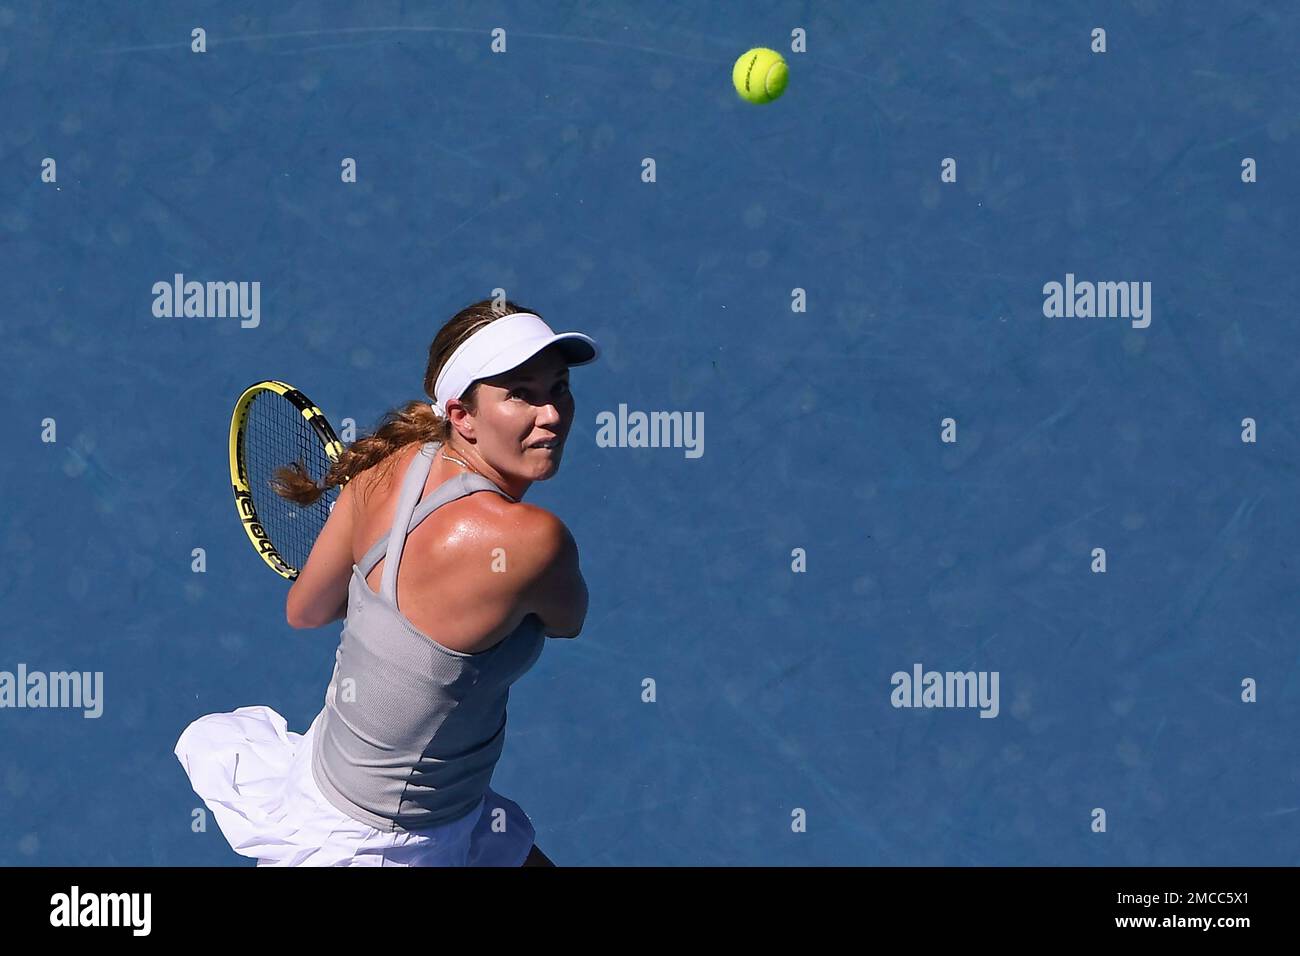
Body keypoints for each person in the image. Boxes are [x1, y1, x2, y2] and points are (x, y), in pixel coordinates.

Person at [174, 299, 597, 866]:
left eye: (559, 387)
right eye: (521, 393)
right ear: (463, 415)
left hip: (341, 783)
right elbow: (568, 621)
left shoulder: (387, 469)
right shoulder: (532, 542)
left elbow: (306, 609)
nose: (551, 413)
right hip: (390, 849)